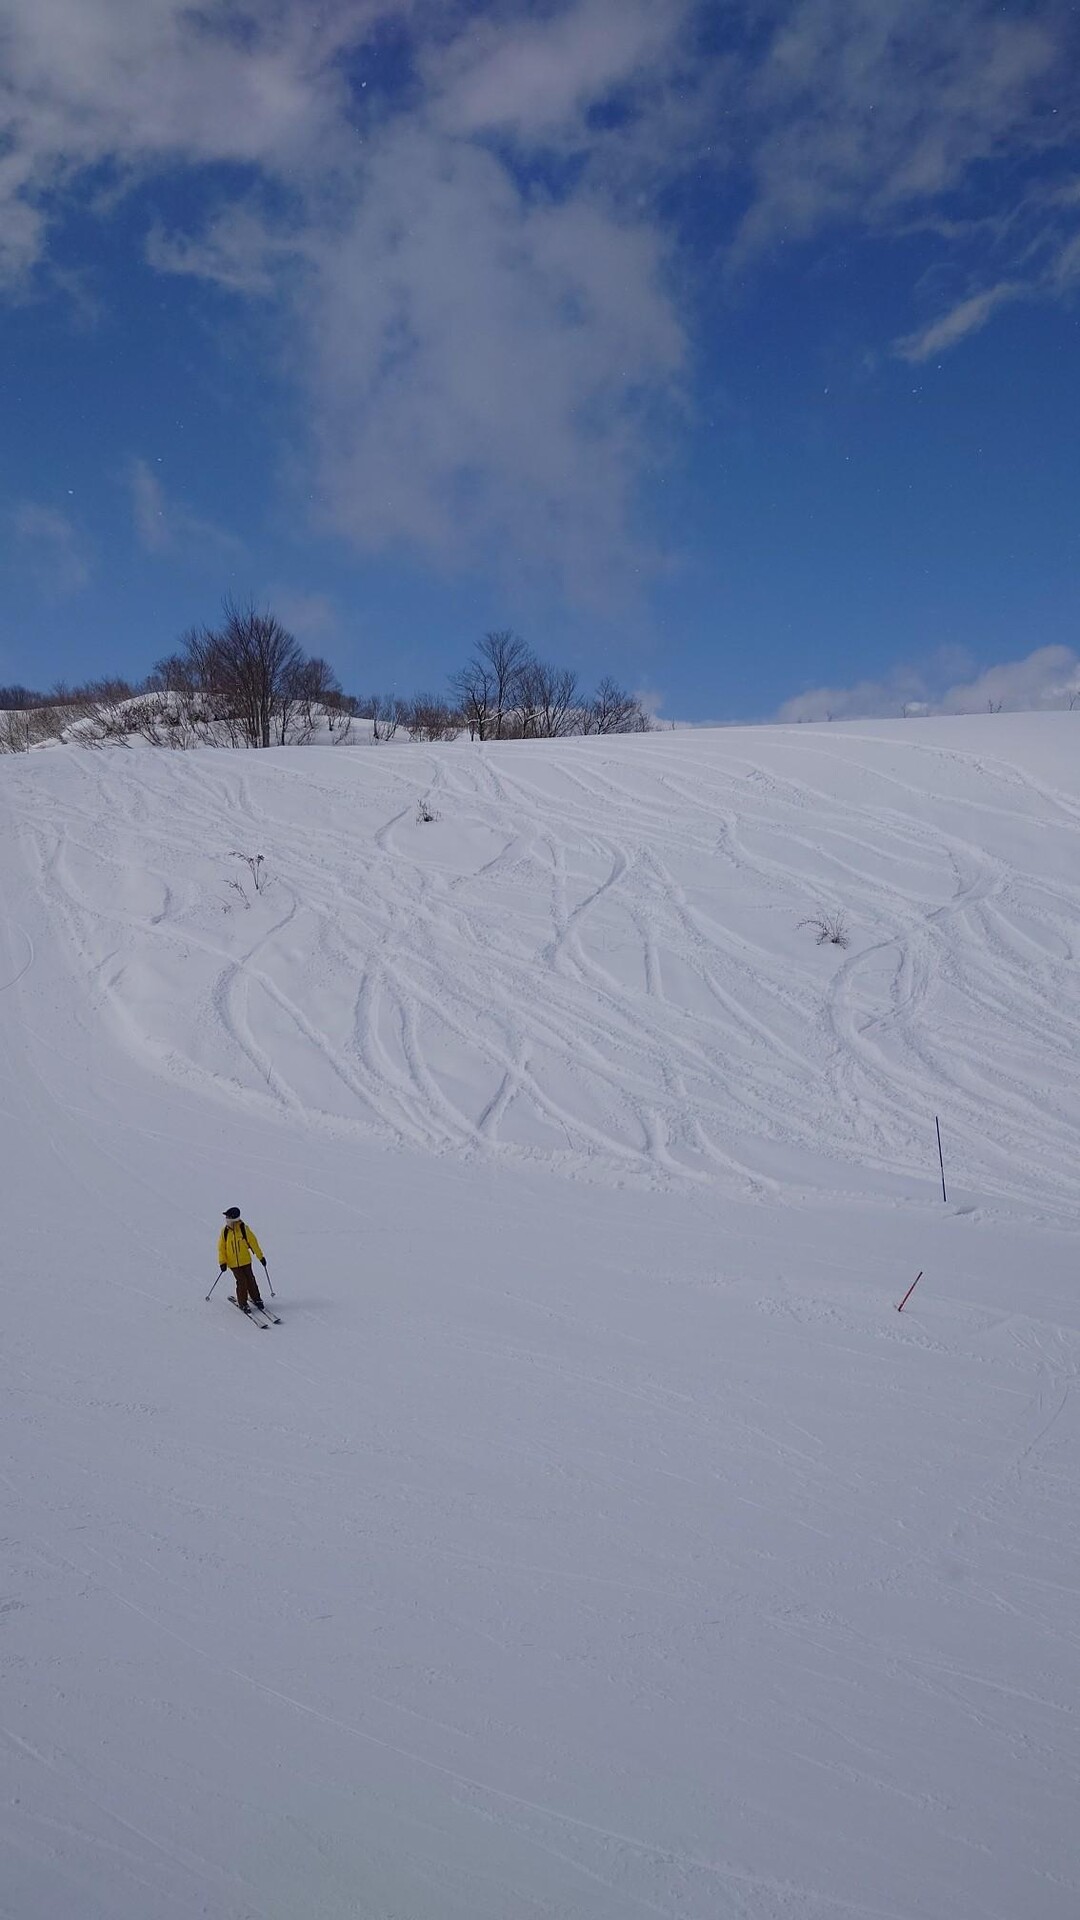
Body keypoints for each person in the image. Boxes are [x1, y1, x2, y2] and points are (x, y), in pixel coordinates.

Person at [218, 1207, 268, 1313]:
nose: (226, 1219)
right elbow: (221, 1248)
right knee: (242, 1281)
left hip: (246, 1261)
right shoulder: (225, 1232)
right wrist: (222, 1262)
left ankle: (256, 1298)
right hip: (233, 1264)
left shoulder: (244, 1229)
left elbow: (253, 1243)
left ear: (234, 1218)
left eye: (228, 1217)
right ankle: (243, 1303)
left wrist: (260, 1257)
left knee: (250, 1279)